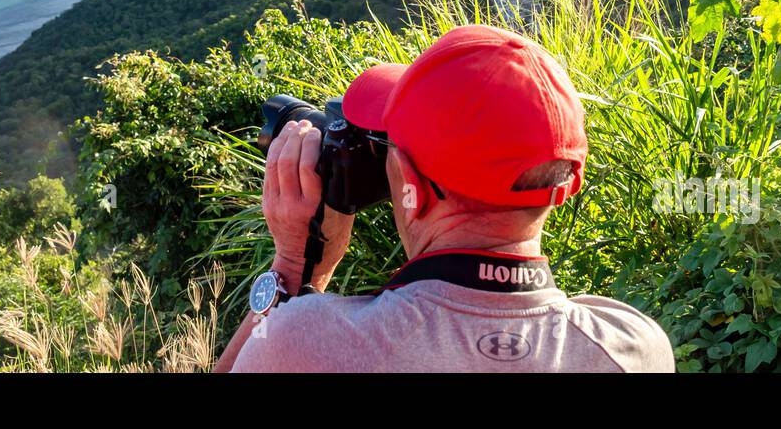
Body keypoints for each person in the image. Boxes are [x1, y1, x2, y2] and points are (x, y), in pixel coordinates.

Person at [215, 24, 675, 372]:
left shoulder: (307, 345)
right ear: (566, 184)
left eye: (388, 150)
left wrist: (295, 266)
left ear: (413, 190)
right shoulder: (634, 347)